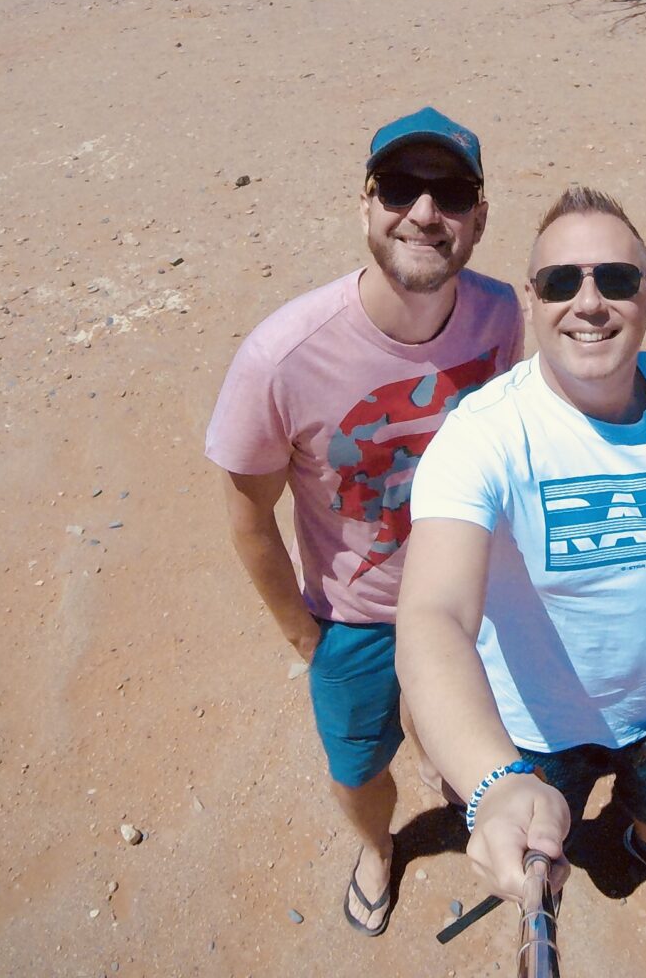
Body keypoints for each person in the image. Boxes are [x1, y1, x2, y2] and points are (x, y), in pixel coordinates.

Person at [399, 186, 646, 917]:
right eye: (562, 282)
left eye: (617, 279)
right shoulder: (484, 436)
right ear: (531, 303)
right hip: (530, 734)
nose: (590, 302)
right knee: (543, 842)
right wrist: (495, 781)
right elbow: (432, 615)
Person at [204, 107, 523, 937]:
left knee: (465, 731)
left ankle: (443, 752)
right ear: (365, 204)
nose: (424, 212)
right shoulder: (282, 358)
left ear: (479, 218)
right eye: (401, 189)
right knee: (357, 770)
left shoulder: (502, 316)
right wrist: (308, 642)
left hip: (470, 599)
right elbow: (248, 518)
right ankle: (379, 849)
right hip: (356, 618)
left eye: (450, 193)